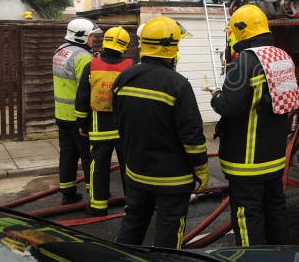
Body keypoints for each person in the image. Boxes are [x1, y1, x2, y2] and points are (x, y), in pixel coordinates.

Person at [211, 4, 299, 246]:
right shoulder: (282, 57)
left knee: (247, 216)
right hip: (273, 157)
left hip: (246, 161)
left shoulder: (245, 62)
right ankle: (281, 261)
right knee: (275, 210)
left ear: (240, 31)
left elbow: (228, 106)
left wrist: (216, 95)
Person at [113, 17, 208, 248]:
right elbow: (192, 136)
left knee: (133, 223)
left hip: (136, 173)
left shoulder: (124, 78)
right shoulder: (178, 85)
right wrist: (202, 169)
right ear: (171, 48)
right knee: (169, 231)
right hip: (173, 179)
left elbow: (121, 124)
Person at [75, 26, 133, 216]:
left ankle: (98, 207)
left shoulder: (91, 66)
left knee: (98, 168)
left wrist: (82, 124)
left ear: (105, 41)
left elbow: (82, 98)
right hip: (125, 130)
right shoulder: (130, 67)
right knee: (129, 168)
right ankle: (132, 206)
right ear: (125, 46)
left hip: (99, 128)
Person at [53, 17, 101, 205]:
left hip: (61, 115)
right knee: (88, 156)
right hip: (78, 117)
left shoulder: (60, 51)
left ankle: (68, 193)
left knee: (67, 155)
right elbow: (87, 88)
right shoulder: (82, 57)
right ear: (81, 37)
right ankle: (94, 194)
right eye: (91, 36)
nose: (93, 40)